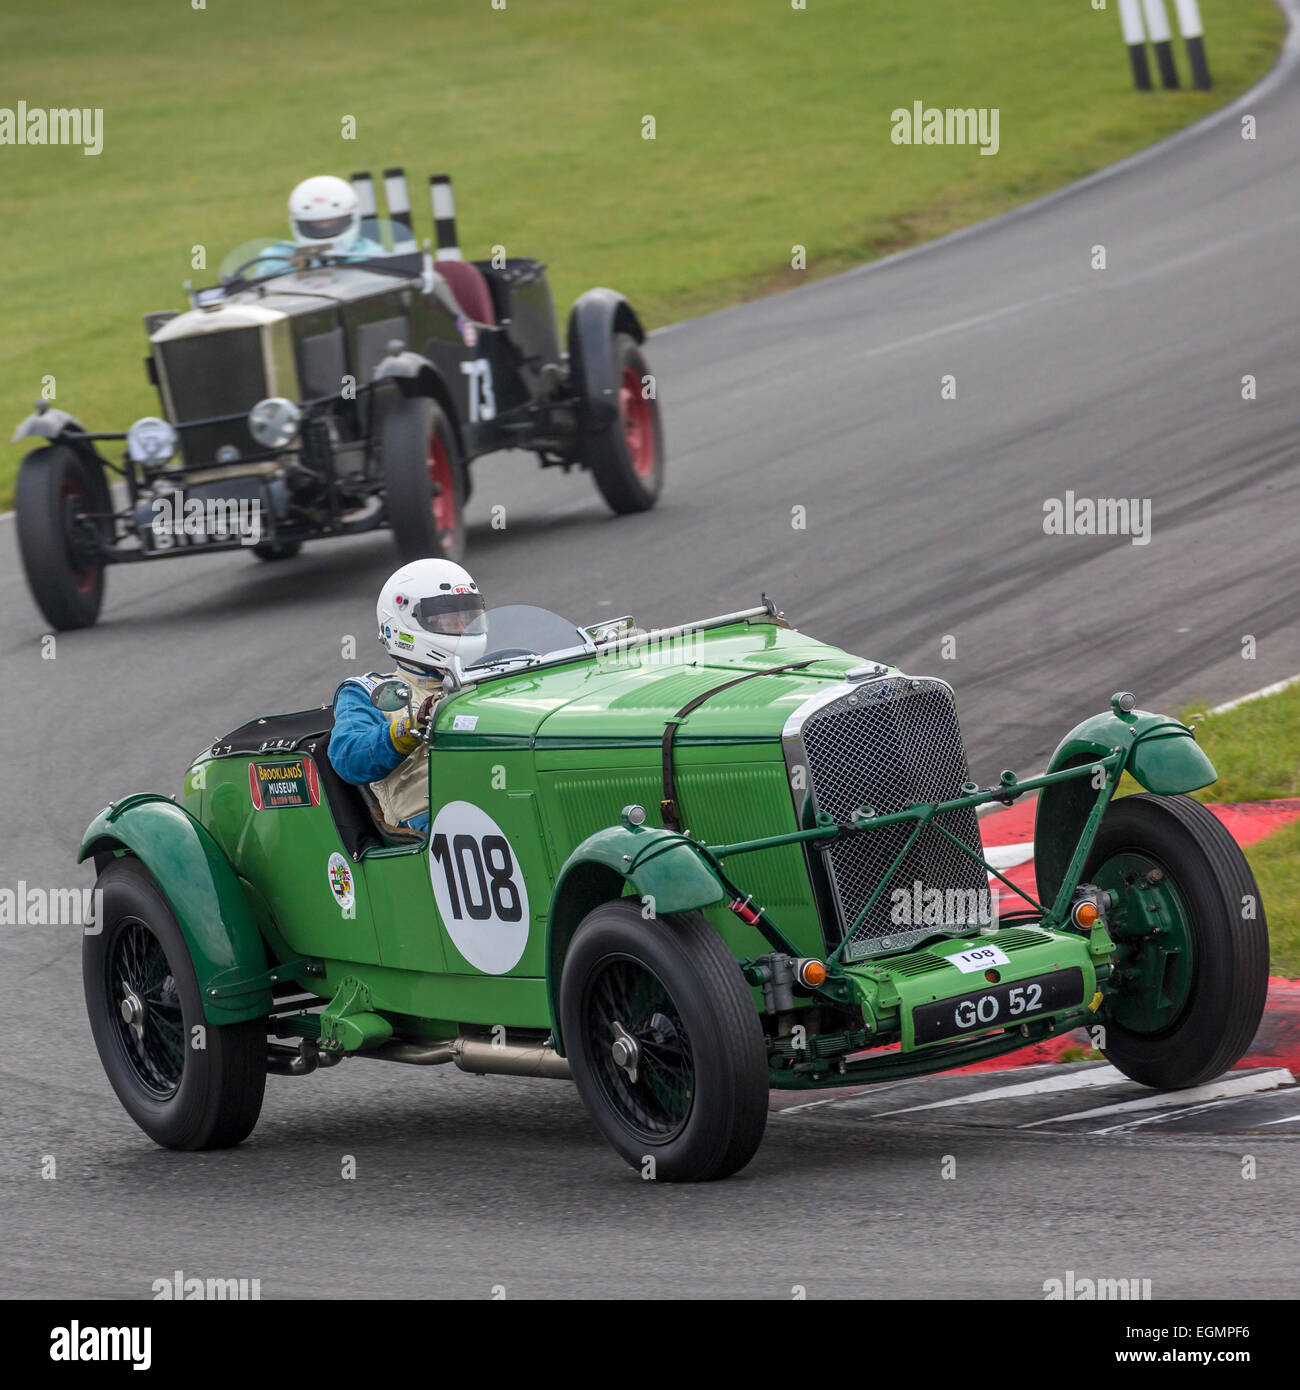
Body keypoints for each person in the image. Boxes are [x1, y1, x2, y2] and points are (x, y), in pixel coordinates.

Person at [329, 559, 485, 834]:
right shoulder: (367, 691)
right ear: (403, 627)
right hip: (429, 819)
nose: (462, 629)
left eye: (468, 618)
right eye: (450, 620)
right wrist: (407, 729)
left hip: (500, 792)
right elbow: (348, 757)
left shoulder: (495, 674)